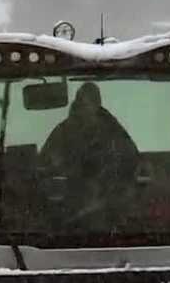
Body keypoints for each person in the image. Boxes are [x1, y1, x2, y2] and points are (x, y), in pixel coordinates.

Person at [39, 82, 140, 223]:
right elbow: (45, 162)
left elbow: (131, 162)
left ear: (97, 105)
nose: (83, 107)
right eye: (80, 101)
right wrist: (60, 168)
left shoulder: (114, 132)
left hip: (107, 201)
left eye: (88, 102)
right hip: (70, 198)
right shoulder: (63, 131)